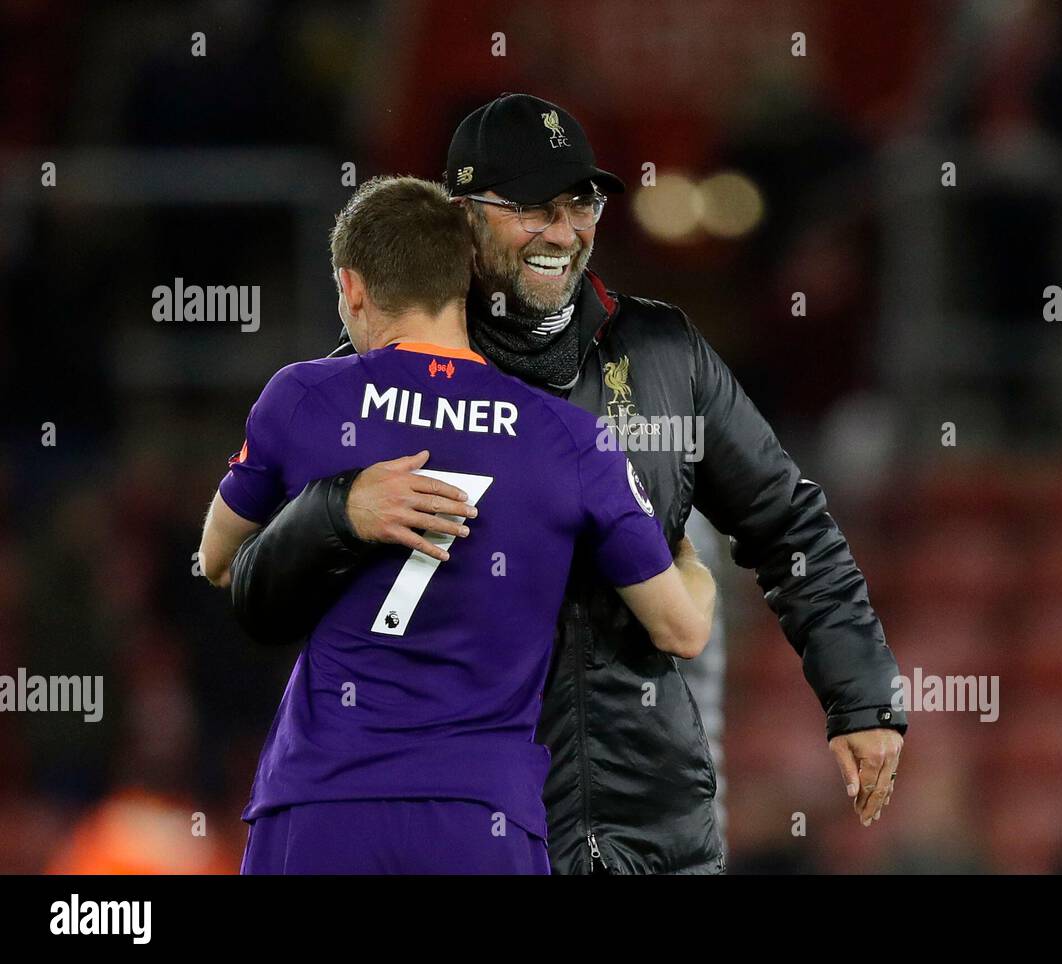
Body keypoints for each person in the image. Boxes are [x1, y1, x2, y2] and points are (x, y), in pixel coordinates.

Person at [227, 94, 906, 875]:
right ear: (459, 215)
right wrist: (336, 512)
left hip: (651, 829)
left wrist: (861, 696)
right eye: (528, 206)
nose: (562, 231)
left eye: (579, 201)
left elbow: (787, 524)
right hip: (478, 829)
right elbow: (257, 599)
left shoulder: (662, 355)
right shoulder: (368, 385)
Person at [198, 175, 715, 874]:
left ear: (351, 286)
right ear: (468, 278)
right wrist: (693, 563)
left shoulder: (302, 398)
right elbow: (681, 629)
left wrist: (336, 508)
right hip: (481, 817)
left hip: (322, 803)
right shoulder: (569, 438)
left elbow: (220, 559)